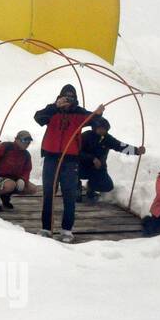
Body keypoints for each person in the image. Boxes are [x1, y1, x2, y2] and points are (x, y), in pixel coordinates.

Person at [33, 83, 103, 242]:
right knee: (48, 193)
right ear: (60, 97)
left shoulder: (80, 114)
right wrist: (55, 107)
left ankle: (66, 230)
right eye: (65, 96)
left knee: (69, 195)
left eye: (71, 97)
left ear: (75, 99)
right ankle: (46, 228)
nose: (68, 100)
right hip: (51, 158)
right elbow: (38, 117)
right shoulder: (51, 111)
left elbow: (97, 122)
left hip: (70, 161)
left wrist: (98, 114)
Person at [78, 118, 144, 203]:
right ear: (94, 128)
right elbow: (77, 152)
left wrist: (136, 151)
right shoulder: (85, 136)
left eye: (104, 129)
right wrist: (92, 158)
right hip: (81, 166)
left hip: (97, 169)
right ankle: (76, 188)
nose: (102, 130)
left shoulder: (107, 139)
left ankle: (91, 187)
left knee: (107, 186)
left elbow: (120, 146)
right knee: (72, 176)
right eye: (100, 128)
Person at [0, 131, 34, 211]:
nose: (27, 143)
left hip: (12, 179)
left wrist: (22, 179)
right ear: (17, 140)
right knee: (10, 185)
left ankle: (5, 196)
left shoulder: (26, 155)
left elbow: (27, 170)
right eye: (24, 140)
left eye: (29, 141)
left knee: (32, 189)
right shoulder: (6, 146)